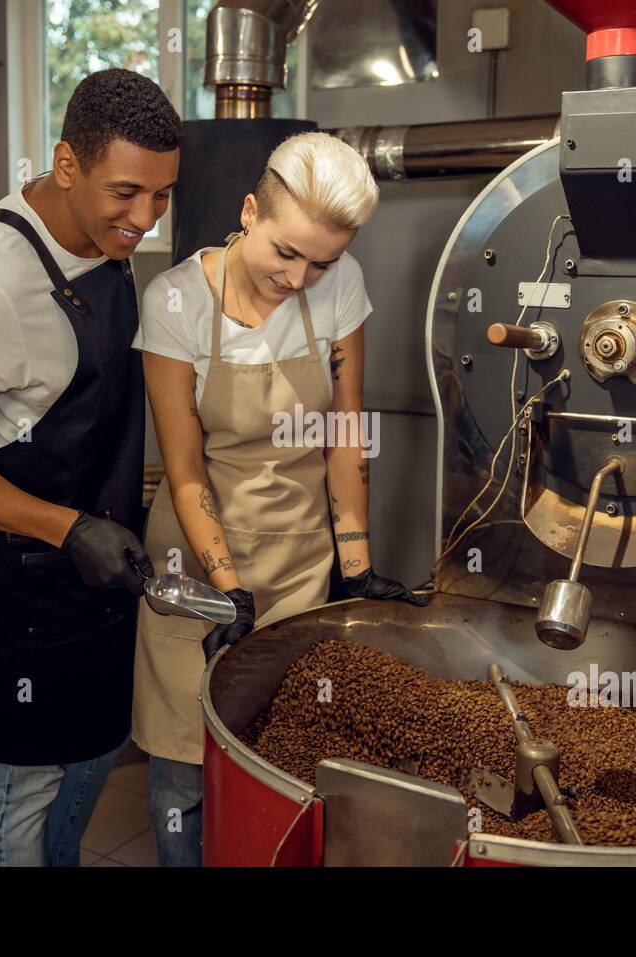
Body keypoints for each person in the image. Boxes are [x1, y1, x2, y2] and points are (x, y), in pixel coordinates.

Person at [0, 69, 182, 866]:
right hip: (24, 582)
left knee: (94, 747)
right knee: (23, 787)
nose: (144, 218)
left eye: (162, 196)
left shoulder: (106, 242)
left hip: (100, 564)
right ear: (66, 164)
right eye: (127, 193)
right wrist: (68, 527)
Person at [131, 131, 428, 866]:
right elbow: (186, 468)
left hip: (298, 565)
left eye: (320, 261)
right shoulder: (174, 301)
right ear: (248, 211)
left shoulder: (341, 283)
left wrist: (354, 563)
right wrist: (227, 590)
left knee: (284, 760)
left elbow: (343, 435)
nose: (300, 278)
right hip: (199, 576)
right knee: (183, 776)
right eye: (285, 252)